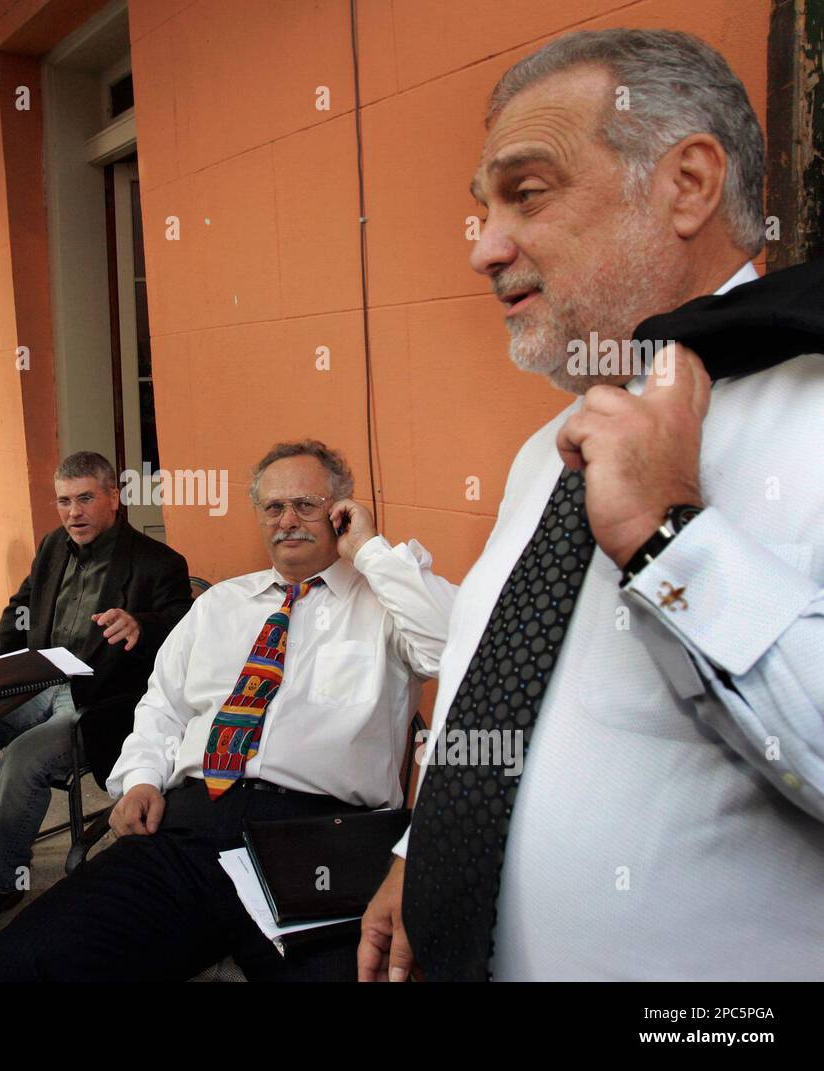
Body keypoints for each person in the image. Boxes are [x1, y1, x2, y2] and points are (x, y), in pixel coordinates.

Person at [359, 29, 824, 983]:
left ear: (688, 184)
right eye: (483, 209)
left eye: (526, 193)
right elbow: (496, 679)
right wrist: (421, 849)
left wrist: (669, 539)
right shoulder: (546, 453)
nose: (484, 248)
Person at [0, 440, 457, 981]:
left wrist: (371, 551)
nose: (288, 520)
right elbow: (163, 705)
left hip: (323, 840)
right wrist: (141, 779)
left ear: (341, 511)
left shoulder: (383, 605)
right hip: (192, 825)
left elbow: (455, 644)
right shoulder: (220, 604)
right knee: (28, 959)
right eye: (273, 507)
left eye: (306, 505)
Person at [0, 450, 192, 927]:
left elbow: (184, 627)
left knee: (24, 757)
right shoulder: (52, 547)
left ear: (115, 497)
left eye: (85, 499)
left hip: (101, 700)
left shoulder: (158, 562)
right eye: (64, 501)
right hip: (38, 679)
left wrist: (142, 625)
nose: (73, 513)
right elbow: (20, 608)